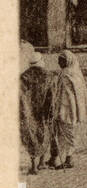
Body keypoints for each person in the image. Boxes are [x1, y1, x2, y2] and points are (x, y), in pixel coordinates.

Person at [48, 50, 87, 170]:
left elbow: (64, 94)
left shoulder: (66, 74)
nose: (59, 62)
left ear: (67, 61)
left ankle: (68, 159)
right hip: (73, 109)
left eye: (61, 60)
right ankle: (58, 158)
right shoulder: (75, 73)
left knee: (67, 134)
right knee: (66, 133)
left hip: (65, 109)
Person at [20, 43, 54, 174]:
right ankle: (41, 162)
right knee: (44, 134)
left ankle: (33, 165)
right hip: (43, 111)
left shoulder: (23, 77)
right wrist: (51, 111)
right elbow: (51, 96)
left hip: (28, 112)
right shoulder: (48, 76)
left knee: (30, 135)